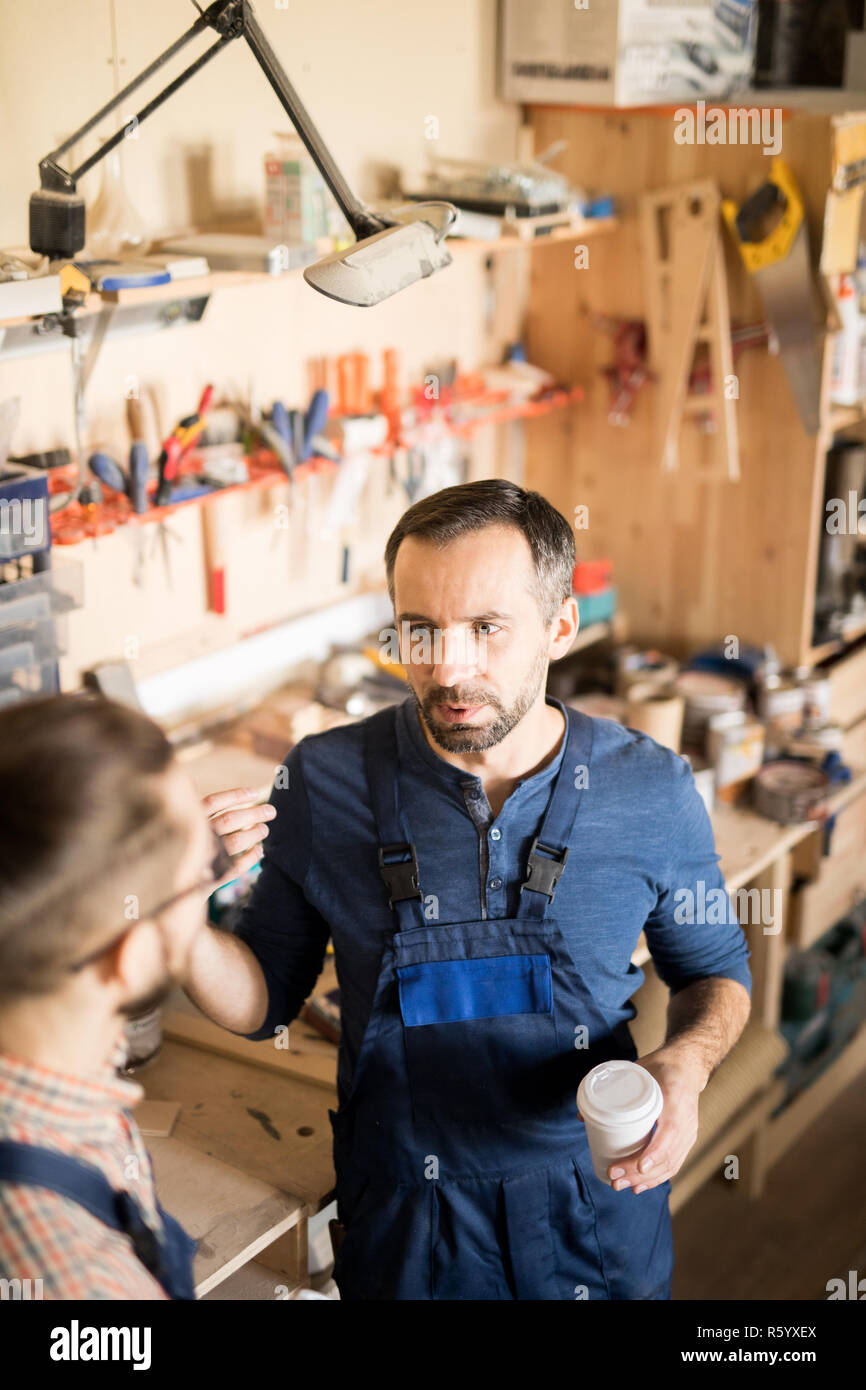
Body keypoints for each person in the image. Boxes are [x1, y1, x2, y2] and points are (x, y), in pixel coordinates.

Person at [185, 478, 753, 1300]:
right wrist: (176, 916)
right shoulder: (324, 779)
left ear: (560, 626)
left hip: (596, 1206)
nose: (449, 667)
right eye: (421, 630)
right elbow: (267, 999)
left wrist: (688, 1066)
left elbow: (714, 974)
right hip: (410, 1232)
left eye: (487, 628)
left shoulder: (652, 790)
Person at [0, 692, 250, 1300]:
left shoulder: (57, 1076)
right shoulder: (80, 1288)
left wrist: (157, 883)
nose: (220, 872)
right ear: (130, 955)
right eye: (208, 867)